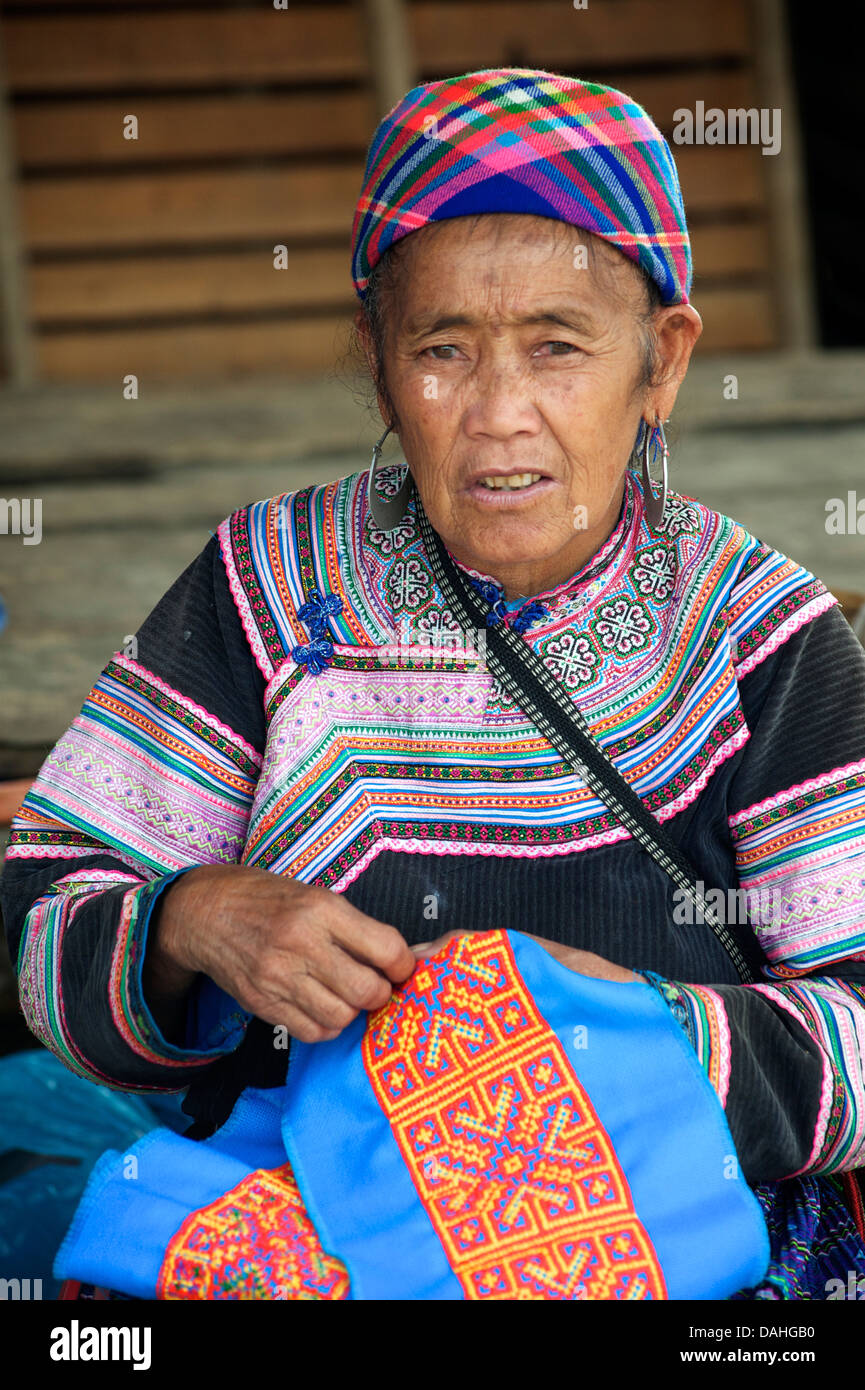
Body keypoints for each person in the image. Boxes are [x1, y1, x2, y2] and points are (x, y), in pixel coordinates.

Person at [3, 68, 865, 1300]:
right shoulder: (264, 591)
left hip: (665, 1239)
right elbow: (48, 923)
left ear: (662, 362)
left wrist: (640, 1044)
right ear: (375, 362)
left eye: (558, 348)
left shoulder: (756, 635)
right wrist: (196, 917)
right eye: (443, 350)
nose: (499, 415)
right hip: (305, 1222)